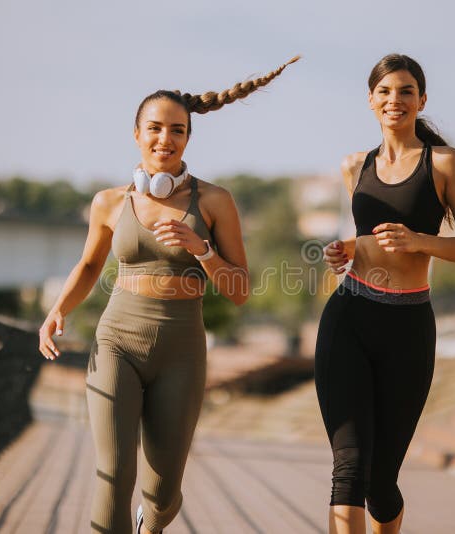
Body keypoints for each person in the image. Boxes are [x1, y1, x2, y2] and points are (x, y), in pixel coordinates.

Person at [38, 56, 299, 534]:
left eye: (177, 130)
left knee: (162, 493)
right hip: (117, 338)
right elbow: (90, 265)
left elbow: (241, 291)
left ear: (188, 138)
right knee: (113, 474)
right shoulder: (109, 202)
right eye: (154, 129)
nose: (165, 139)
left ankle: (149, 524)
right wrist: (58, 311)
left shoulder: (215, 202)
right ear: (136, 134)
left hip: (181, 348)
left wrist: (203, 251)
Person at [314, 53, 455, 534]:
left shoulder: (445, 164)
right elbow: (366, 235)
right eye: (385, 91)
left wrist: (418, 241)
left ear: (422, 100)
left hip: (408, 329)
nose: (395, 100)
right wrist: (348, 248)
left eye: (406, 91)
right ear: (370, 101)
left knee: (381, 483)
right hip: (349, 315)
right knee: (348, 465)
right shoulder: (355, 165)